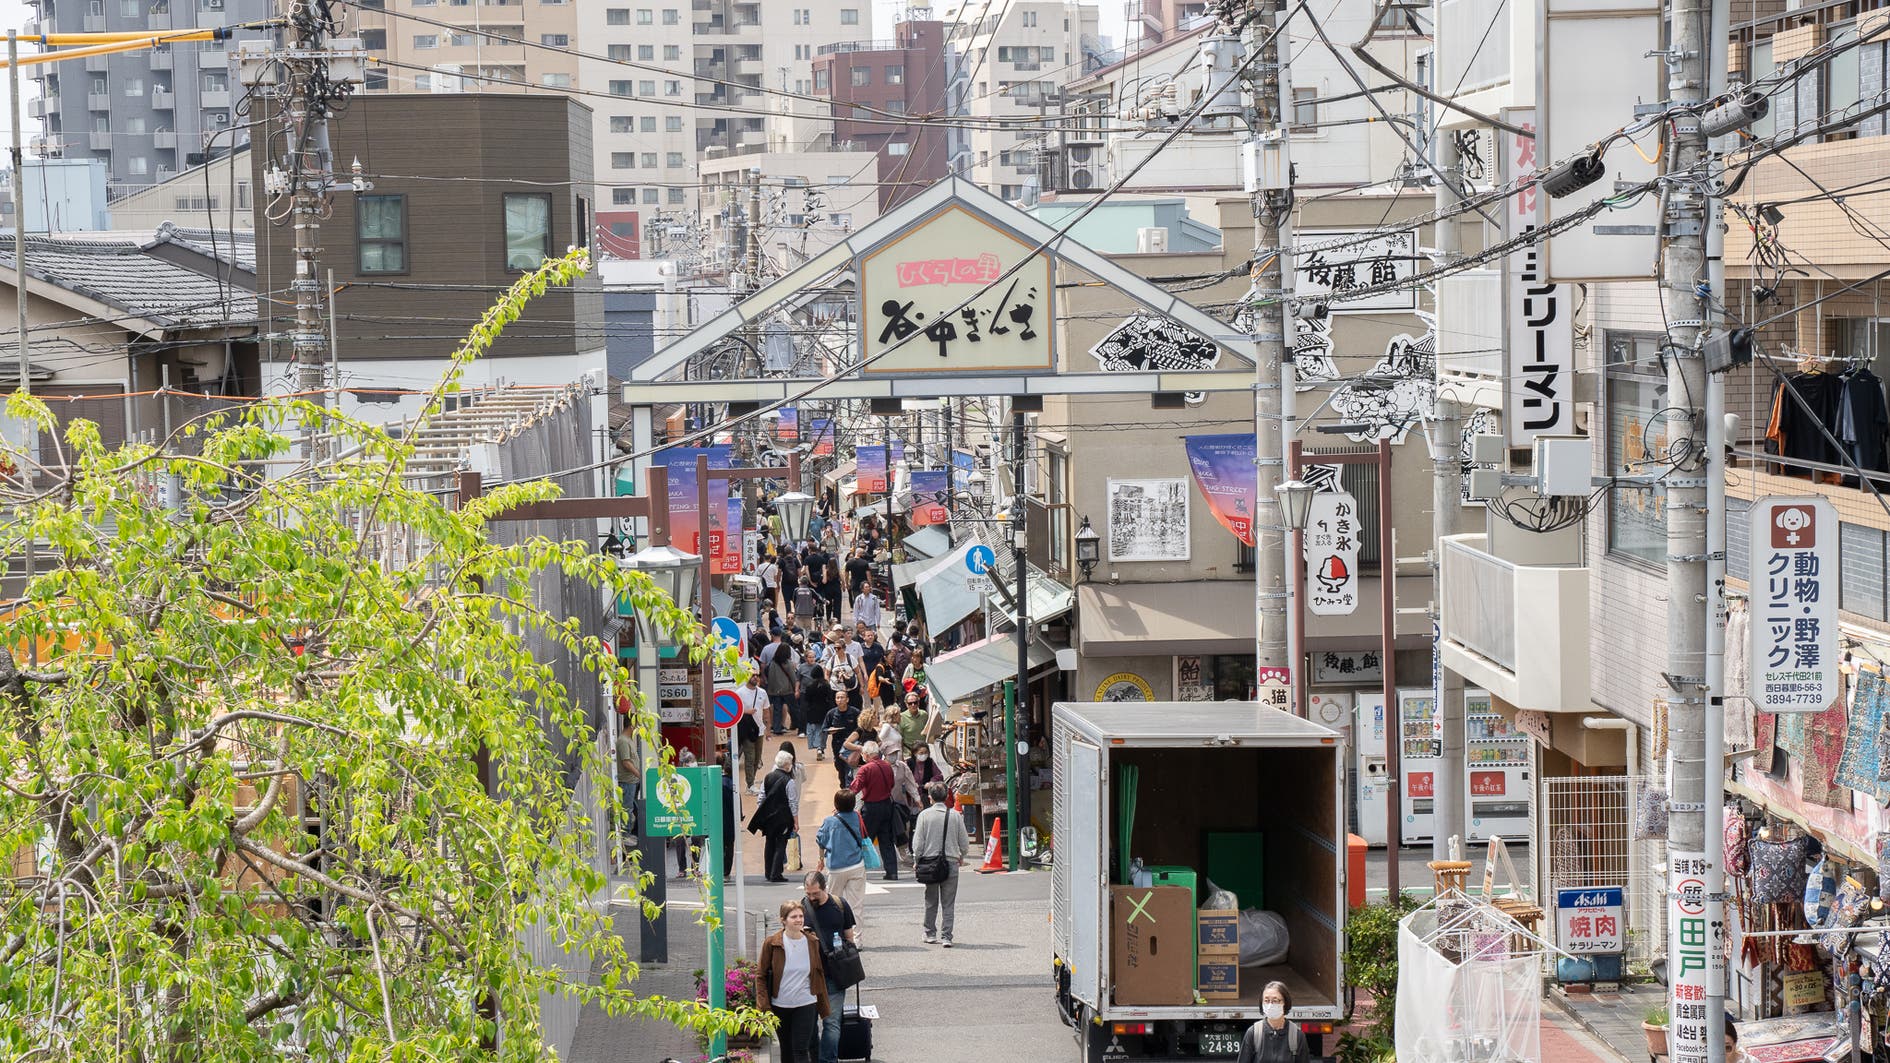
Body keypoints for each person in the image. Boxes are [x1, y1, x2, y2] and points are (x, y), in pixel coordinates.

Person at [758, 899, 830, 1063]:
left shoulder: (812, 942)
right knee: (786, 1049)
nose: (799, 920)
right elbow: (761, 975)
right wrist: (764, 1006)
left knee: (800, 1049)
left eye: (801, 916)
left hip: (806, 1002)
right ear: (783, 920)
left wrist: (823, 1003)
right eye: (793, 917)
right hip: (780, 1004)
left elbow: (818, 974)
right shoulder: (772, 943)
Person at [802, 871, 858, 1063]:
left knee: (832, 1023)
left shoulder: (840, 905)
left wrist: (848, 957)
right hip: (809, 976)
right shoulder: (802, 908)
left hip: (835, 975)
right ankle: (815, 1058)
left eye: (815, 893)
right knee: (809, 1025)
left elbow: (849, 936)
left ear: (824, 888)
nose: (811, 898)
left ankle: (828, 1060)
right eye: (808, 893)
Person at [913, 781, 969, 946]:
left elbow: (918, 844)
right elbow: (964, 843)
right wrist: (961, 856)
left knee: (931, 900)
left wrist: (917, 860)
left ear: (929, 798)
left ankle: (930, 933)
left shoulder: (924, 815)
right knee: (948, 902)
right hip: (951, 862)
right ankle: (947, 937)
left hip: (929, 864)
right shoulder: (955, 816)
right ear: (946, 797)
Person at [815, 791, 869, 929]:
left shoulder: (829, 821)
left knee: (833, 903)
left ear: (836, 804)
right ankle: (857, 940)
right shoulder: (857, 817)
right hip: (856, 865)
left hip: (835, 867)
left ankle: (836, 936)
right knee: (856, 905)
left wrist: (821, 859)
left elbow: (821, 841)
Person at [849, 741, 902, 880]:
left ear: (866, 754)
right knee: (887, 840)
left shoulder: (865, 769)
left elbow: (855, 788)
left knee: (865, 840)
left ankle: (858, 870)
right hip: (887, 805)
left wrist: (842, 801)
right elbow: (891, 784)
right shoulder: (887, 766)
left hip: (871, 807)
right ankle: (892, 872)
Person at [749, 750, 798, 883]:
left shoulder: (768, 777)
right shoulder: (789, 781)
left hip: (769, 817)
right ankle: (776, 873)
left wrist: (763, 812)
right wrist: (796, 821)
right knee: (781, 843)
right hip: (783, 818)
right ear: (788, 765)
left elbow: (761, 798)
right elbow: (793, 803)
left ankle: (768, 871)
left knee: (769, 842)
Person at [1236, 981, 1310, 1063]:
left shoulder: (1297, 1035)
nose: (1270, 1005)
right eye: (1266, 1001)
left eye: (1275, 1001)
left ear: (1285, 1003)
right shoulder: (1254, 1033)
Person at [734, 672, 768, 793]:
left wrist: (767, 729)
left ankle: (751, 781)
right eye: (752, 675)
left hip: (759, 730)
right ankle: (750, 784)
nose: (755, 677)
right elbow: (734, 711)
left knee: (757, 758)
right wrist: (746, 712)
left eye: (757, 675)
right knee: (750, 756)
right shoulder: (739, 693)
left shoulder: (762, 693)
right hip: (746, 729)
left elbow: (766, 710)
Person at [764, 633, 800, 737]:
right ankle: (800, 725)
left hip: (774, 690)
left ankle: (777, 728)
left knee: (777, 710)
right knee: (794, 709)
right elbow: (793, 677)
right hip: (787, 690)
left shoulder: (772, 663)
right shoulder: (788, 663)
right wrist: (796, 688)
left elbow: (767, 673)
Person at [670, 748, 699, 879]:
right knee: (680, 840)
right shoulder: (676, 777)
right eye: (687, 762)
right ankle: (682, 868)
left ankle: (695, 867)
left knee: (696, 839)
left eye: (692, 761)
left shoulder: (698, 774)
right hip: (680, 813)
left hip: (695, 812)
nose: (691, 764)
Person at [824, 690, 861, 788]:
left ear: (847, 699)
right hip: (837, 745)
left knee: (850, 768)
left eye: (842, 697)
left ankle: (850, 789)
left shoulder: (855, 712)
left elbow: (861, 727)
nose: (840, 700)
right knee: (840, 767)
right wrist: (829, 730)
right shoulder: (831, 714)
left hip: (852, 746)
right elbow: (824, 728)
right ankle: (843, 785)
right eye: (837, 698)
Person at [614, 713, 640, 849]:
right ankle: (625, 836)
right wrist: (638, 774)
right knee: (627, 809)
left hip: (632, 781)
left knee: (632, 809)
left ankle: (627, 834)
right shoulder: (623, 741)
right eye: (636, 724)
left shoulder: (629, 740)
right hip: (627, 781)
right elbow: (626, 762)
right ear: (631, 725)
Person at [800, 663, 835, 760]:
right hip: (825, 711)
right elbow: (830, 699)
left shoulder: (809, 686)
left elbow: (806, 699)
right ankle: (821, 748)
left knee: (815, 730)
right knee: (823, 731)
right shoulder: (826, 685)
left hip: (812, 711)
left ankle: (817, 746)